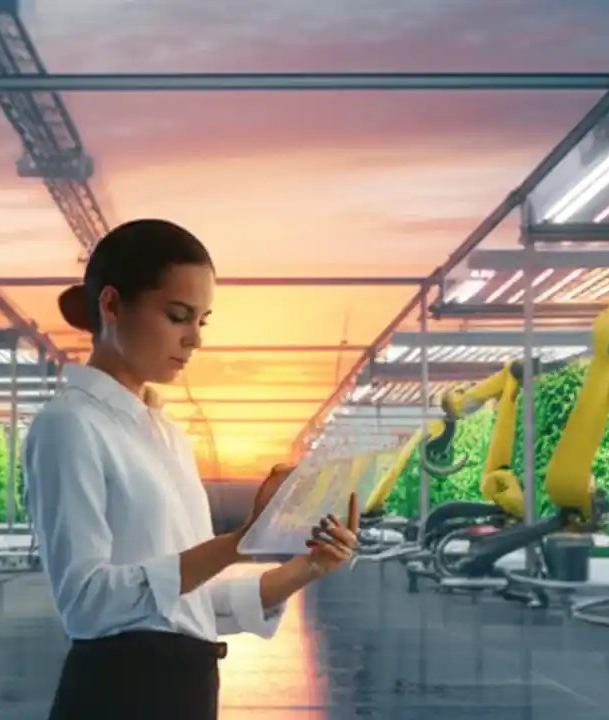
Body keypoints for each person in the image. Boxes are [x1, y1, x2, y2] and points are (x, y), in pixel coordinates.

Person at [22, 218, 361, 720]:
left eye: (201, 321)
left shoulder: (167, 436)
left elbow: (189, 605)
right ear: (112, 305)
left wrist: (304, 568)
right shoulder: (70, 425)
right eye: (178, 316)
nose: (193, 340)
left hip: (184, 693)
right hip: (120, 697)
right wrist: (238, 542)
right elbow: (87, 603)